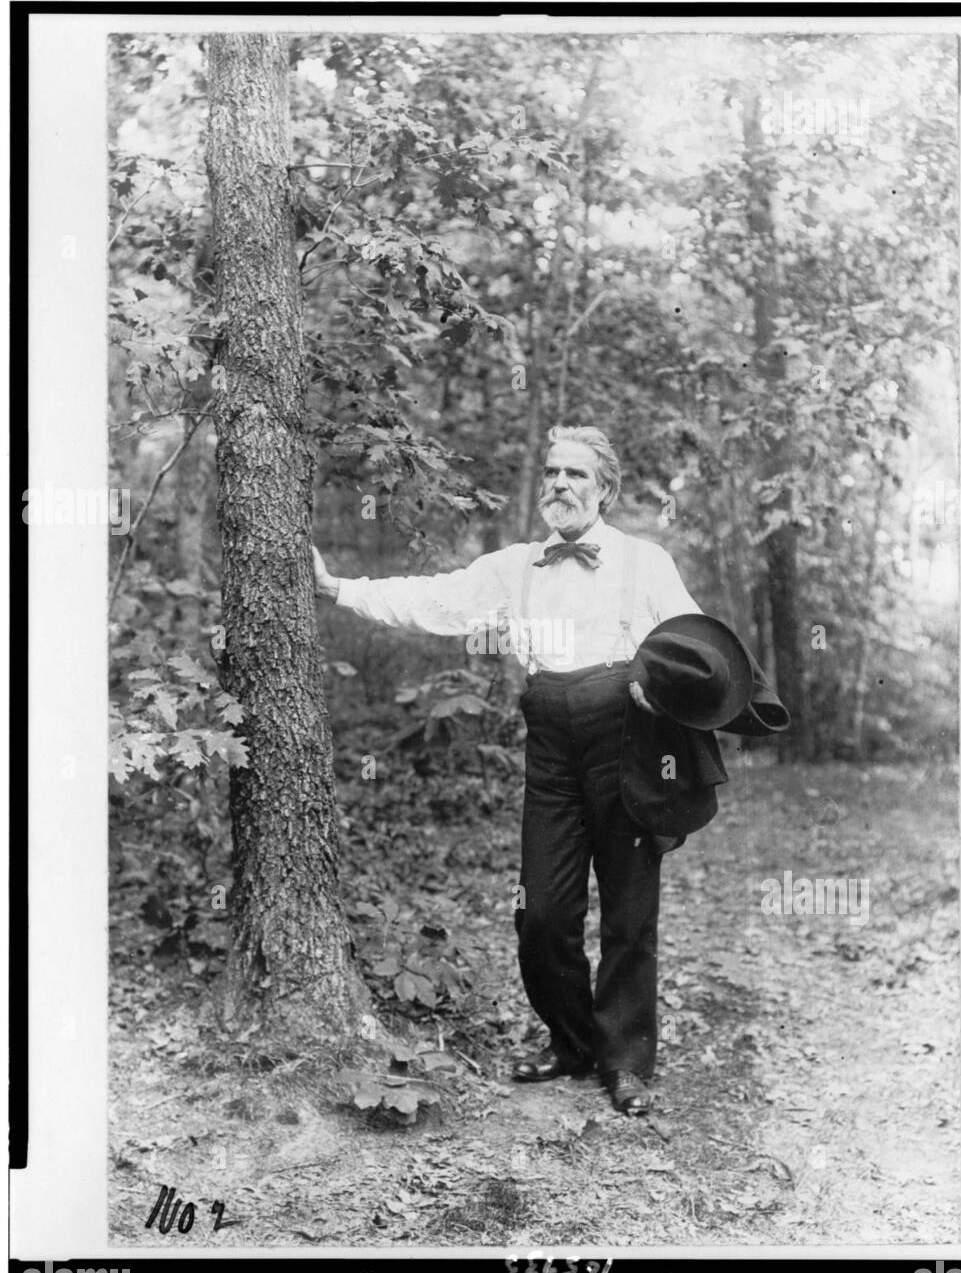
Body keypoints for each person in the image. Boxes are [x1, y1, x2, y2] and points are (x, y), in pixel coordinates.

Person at [313, 425, 778, 1115]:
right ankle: (571, 1042)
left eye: (577, 475)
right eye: (553, 472)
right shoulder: (513, 567)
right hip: (552, 747)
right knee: (543, 914)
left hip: (630, 740)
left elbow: (694, 649)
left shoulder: (644, 561)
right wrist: (339, 587)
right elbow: (433, 600)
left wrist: (666, 690)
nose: (559, 483)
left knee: (628, 913)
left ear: (606, 491)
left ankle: (625, 1062)